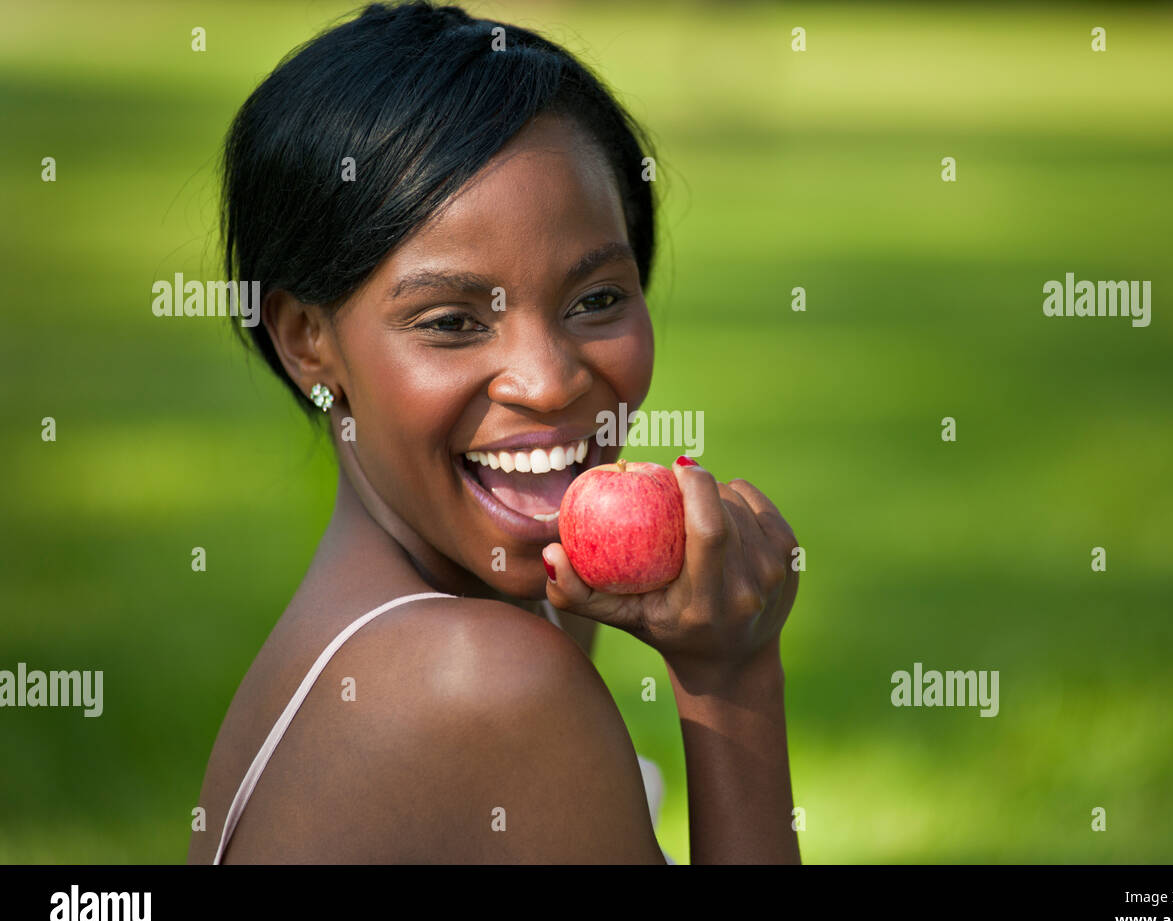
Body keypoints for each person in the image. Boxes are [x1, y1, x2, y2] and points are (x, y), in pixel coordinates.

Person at [187, 0, 800, 865]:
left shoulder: (371, 638)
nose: (548, 382)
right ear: (306, 340)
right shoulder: (485, 682)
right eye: (450, 321)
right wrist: (734, 681)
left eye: (595, 300)